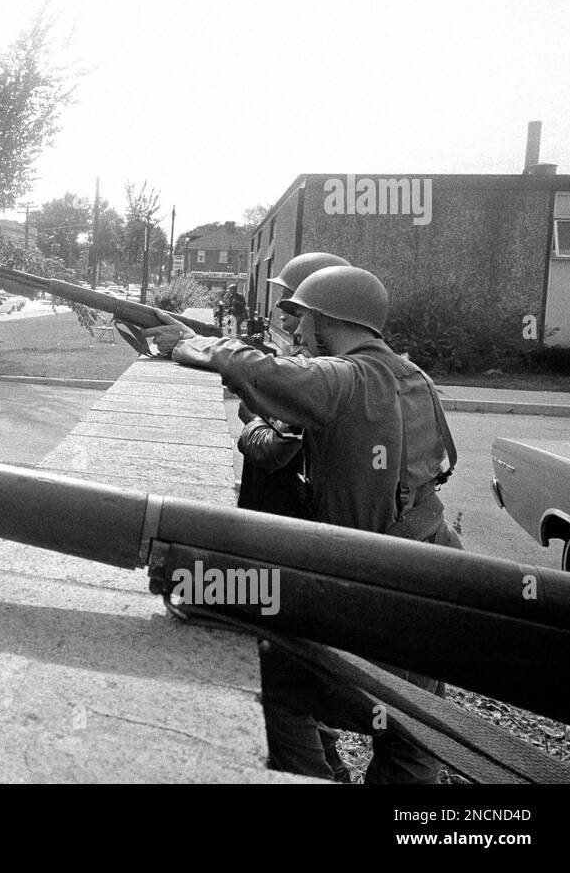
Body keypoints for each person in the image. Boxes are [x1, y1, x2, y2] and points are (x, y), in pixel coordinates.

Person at [146, 265, 459, 784]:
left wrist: (189, 345)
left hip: (374, 579)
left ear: (323, 318)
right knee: (415, 729)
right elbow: (441, 463)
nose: (297, 331)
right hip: (434, 570)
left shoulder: (346, 377)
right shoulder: (415, 377)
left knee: (279, 690)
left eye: (304, 318)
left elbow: (267, 375)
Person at [233, 251, 350, 782]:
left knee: (285, 673)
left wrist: (253, 419)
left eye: (293, 307)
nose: (285, 319)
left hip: (295, 541)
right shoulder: (325, 364)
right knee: (307, 669)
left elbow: (279, 448)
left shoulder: (327, 374)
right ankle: (327, 755)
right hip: (295, 534)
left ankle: (317, 771)